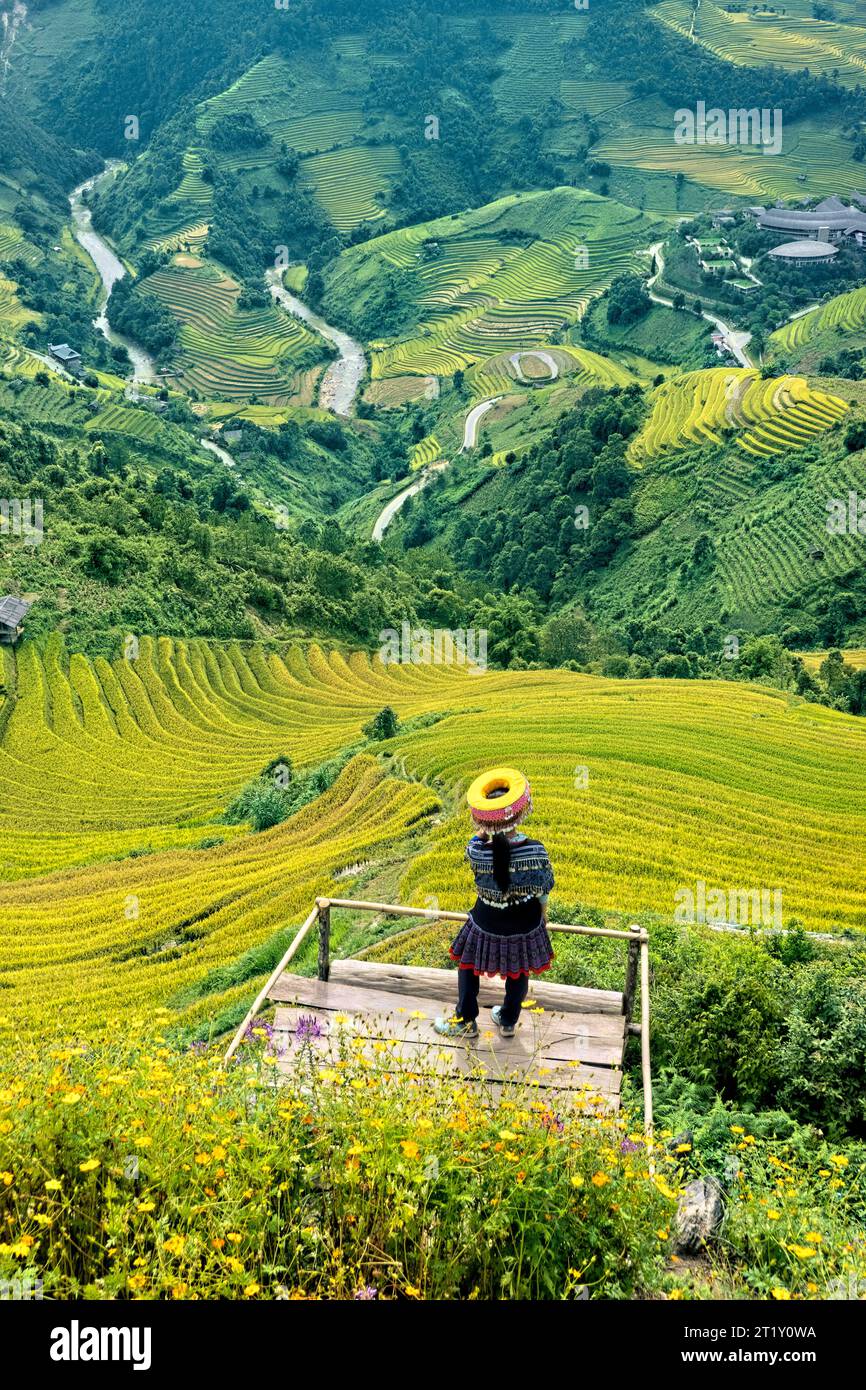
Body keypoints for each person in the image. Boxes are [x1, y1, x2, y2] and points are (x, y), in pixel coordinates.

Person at [434, 767, 554, 1040]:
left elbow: (478, 842)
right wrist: (543, 916)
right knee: (519, 968)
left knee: (467, 964)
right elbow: (544, 890)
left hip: (487, 919)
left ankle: (465, 1021)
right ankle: (508, 1020)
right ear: (519, 813)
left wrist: (485, 832)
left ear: (484, 820)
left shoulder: (476, 850)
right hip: (526, 921)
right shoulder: (536, 850)